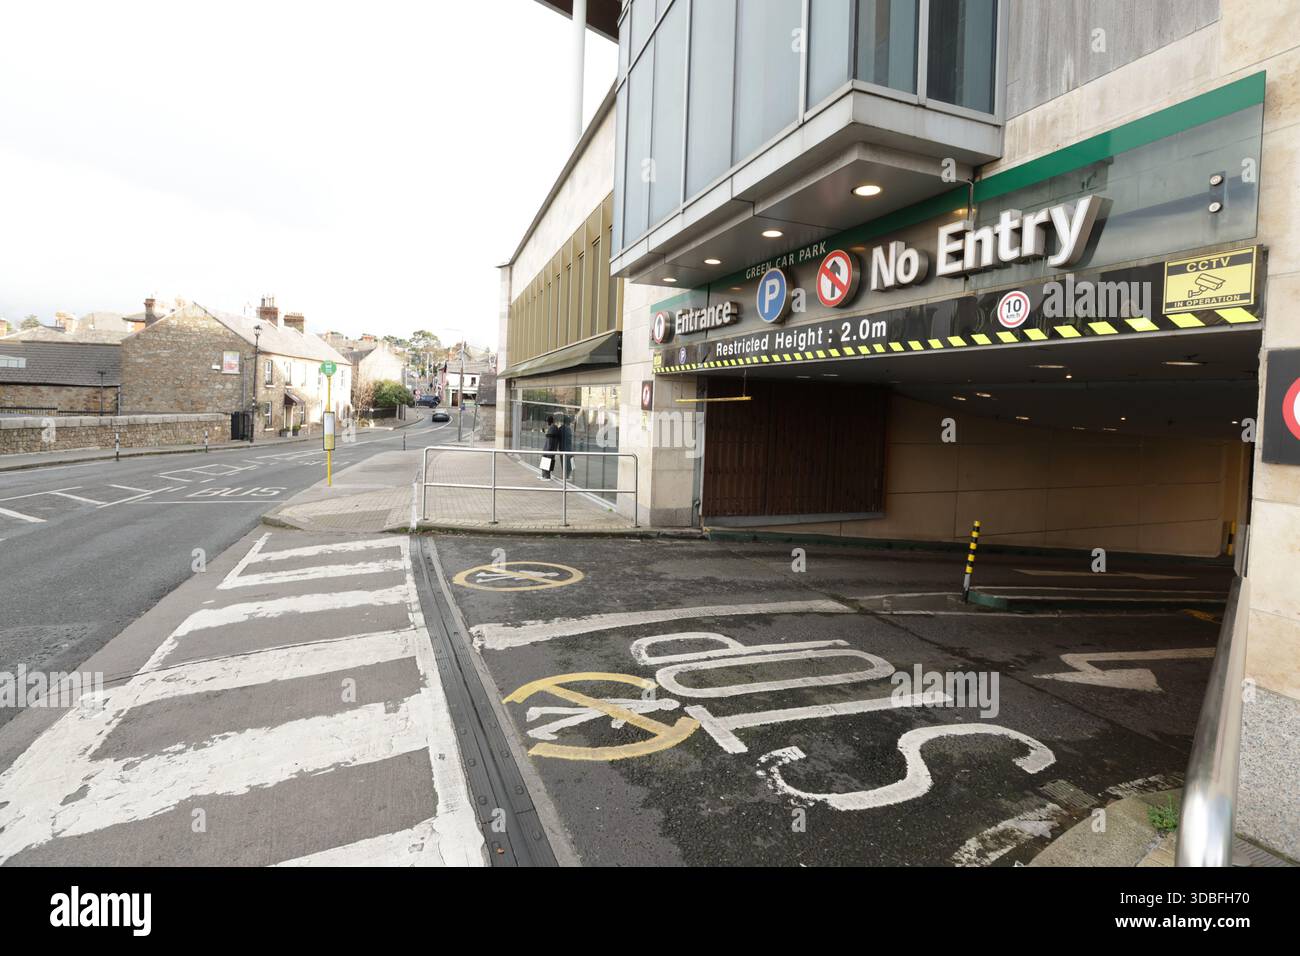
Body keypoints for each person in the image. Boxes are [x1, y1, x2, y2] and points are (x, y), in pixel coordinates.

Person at [540, 415, 560, 481]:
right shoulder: (552, 427)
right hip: (548, 448)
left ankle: (547, 476)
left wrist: (548, 449)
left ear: (549, 421)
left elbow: (551, 439)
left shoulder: (553, 427)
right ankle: (544, 476)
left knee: (548, 461)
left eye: (547, 421)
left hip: (550, 448)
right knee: (546, 461)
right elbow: (549, 436)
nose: (546, 422)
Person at [558, 414, 574, 480]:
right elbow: (569, 440)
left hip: (562, 448)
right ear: (568, 422)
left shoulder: (561, 428)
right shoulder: (568, 429)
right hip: (567, 449)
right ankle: (566, 476)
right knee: (569, 463)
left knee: (563, 462)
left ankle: (565, 475)